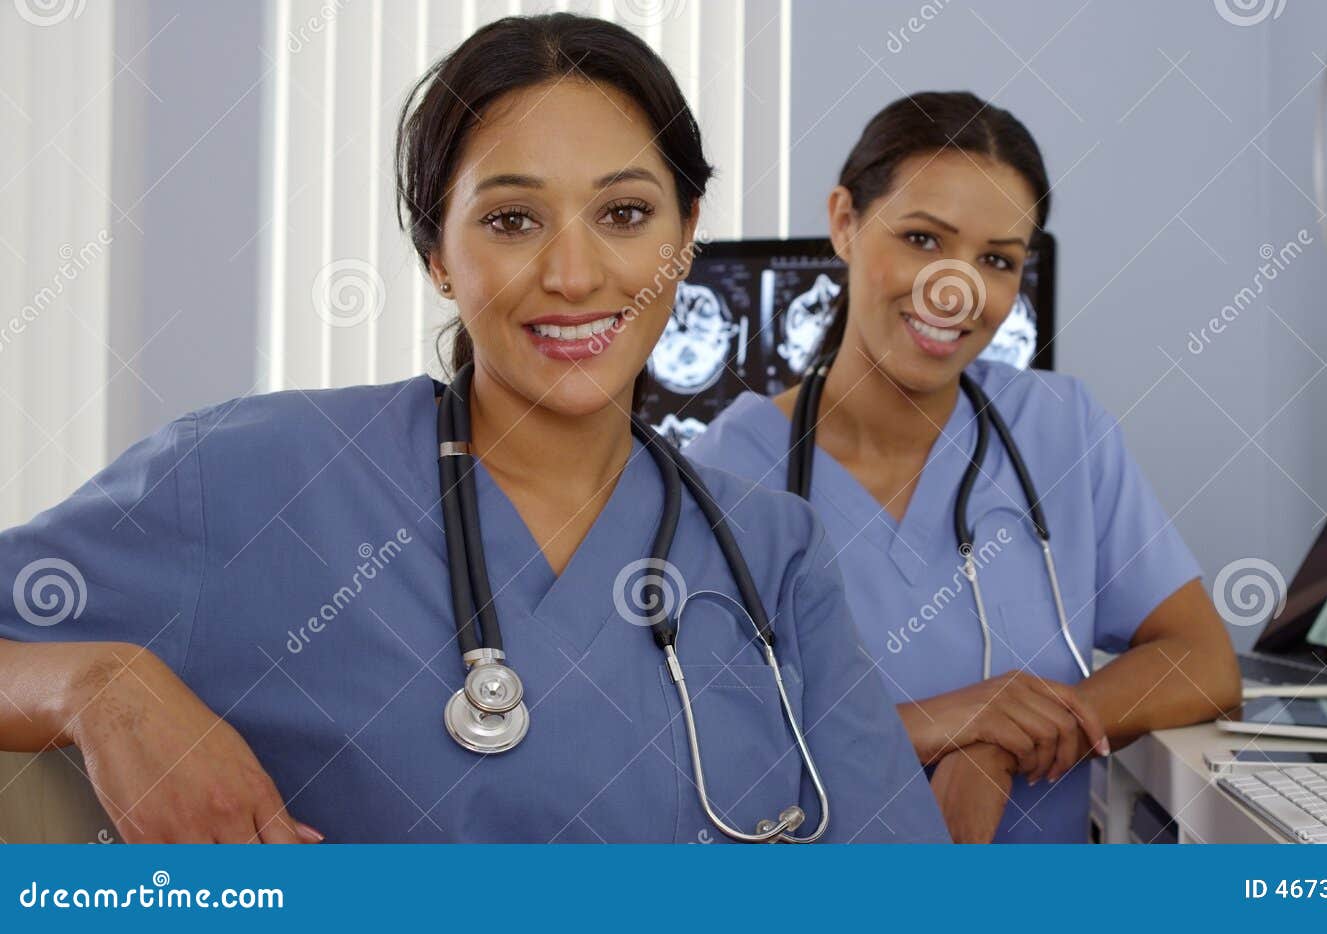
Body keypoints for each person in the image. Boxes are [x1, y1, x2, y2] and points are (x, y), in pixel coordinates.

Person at [0, 14, 948, 845]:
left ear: (686, 234)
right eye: (511, 219)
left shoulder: (769, 551)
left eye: (624, 213)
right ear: (435, 254)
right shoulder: (259, 479)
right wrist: (97, 686)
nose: (574, 274)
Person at [686, 91, 1241, 843]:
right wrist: (945, 724)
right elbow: (699, 752)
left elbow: (1204, 662)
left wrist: (994, 748)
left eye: (997, 260)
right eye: (921, 238)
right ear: (845, 222)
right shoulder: (729, 471)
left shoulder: (1059, 430)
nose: (957, 289)